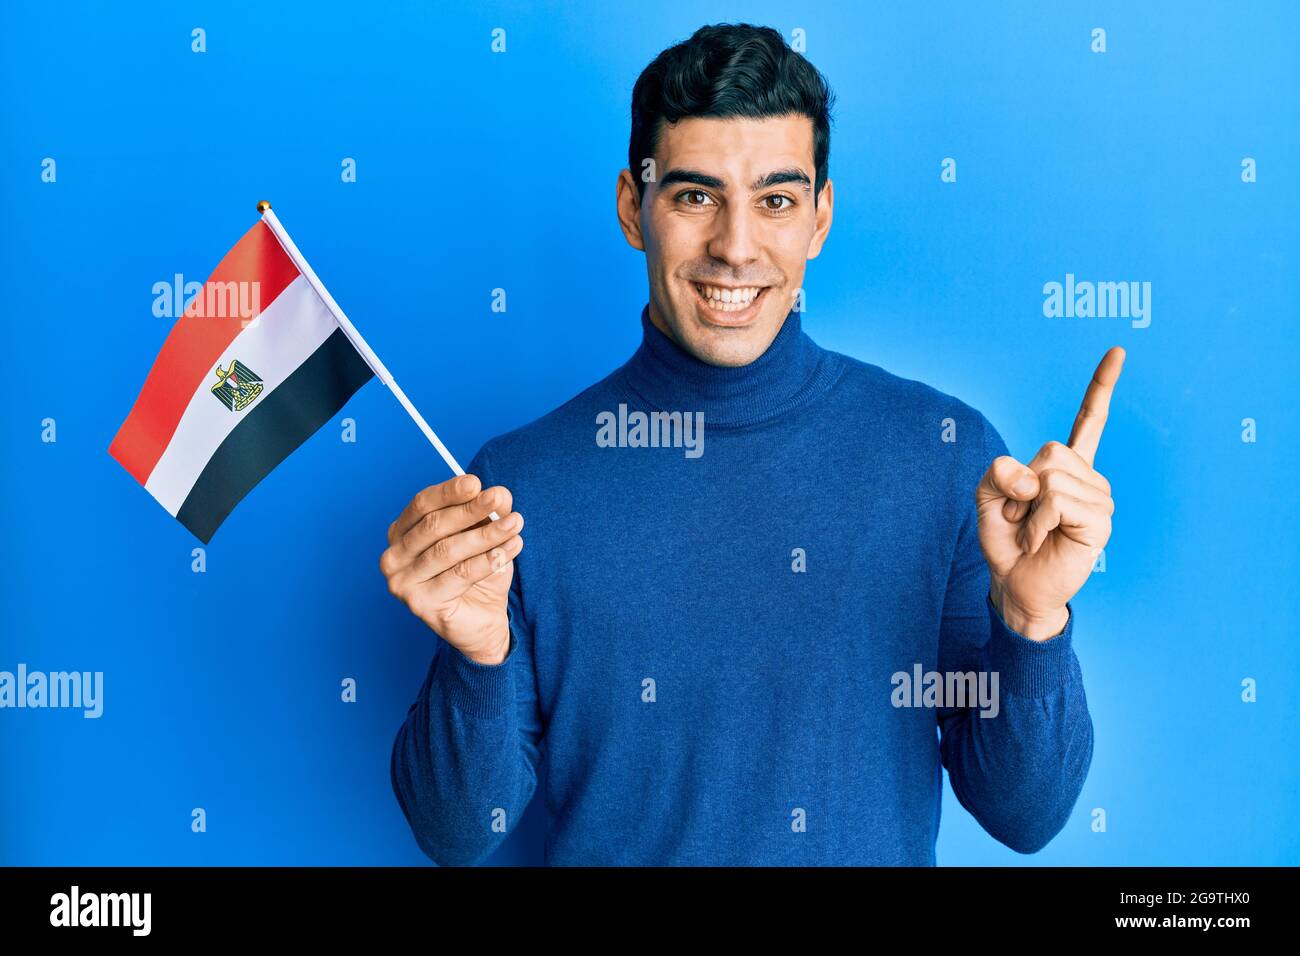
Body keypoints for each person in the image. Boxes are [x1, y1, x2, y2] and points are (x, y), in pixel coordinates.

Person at [383, 22, 1121, 866]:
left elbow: (1025, 816)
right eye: (695, 196)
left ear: (819, 217)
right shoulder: (516, 488)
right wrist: (477, 656)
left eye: (775, 200)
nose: (735, 248)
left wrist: (1032, 621)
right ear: (635, 207)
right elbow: (455, 834)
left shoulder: (945, 456)